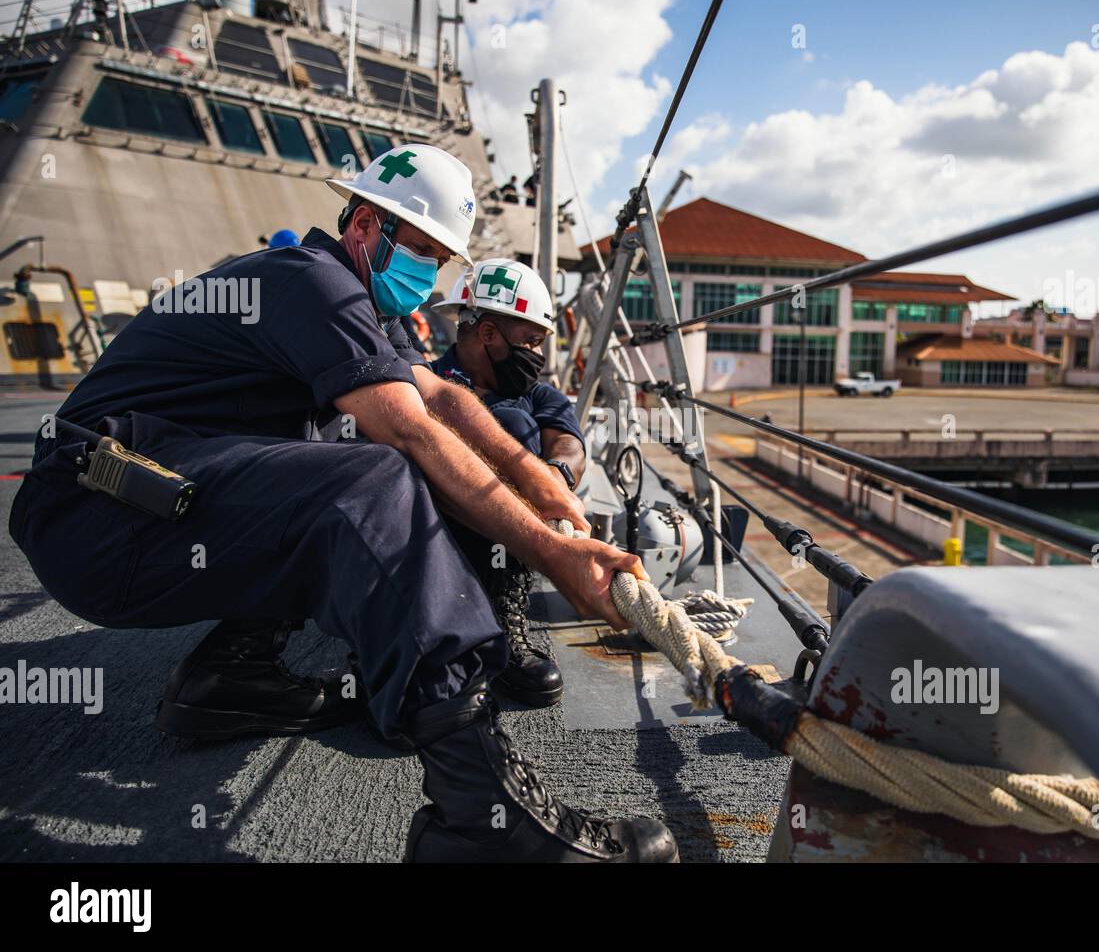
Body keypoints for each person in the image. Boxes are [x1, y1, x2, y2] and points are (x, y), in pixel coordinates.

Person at [8, 143, 677, 864]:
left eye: (438, 260)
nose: (427, 274)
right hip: (99, 518)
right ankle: (482, 818)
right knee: (373, 478)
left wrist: (537, 474)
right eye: (419, 250)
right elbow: (411, 428)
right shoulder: (310, 285)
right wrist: (553, 552)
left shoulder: (357, 305)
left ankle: (233, 675)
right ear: (364, 226)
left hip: (151, 502)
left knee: (334, 455)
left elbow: (443, 395)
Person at [429, 258, 583, 708]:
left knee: (515, 424)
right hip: (431, 539)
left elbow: (568, 444)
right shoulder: (420, 384)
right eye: (532, 341)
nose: (538, 355)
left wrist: (555, 475)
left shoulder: (538, 396)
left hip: (495, 541)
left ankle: (499, 613)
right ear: (490, 334)